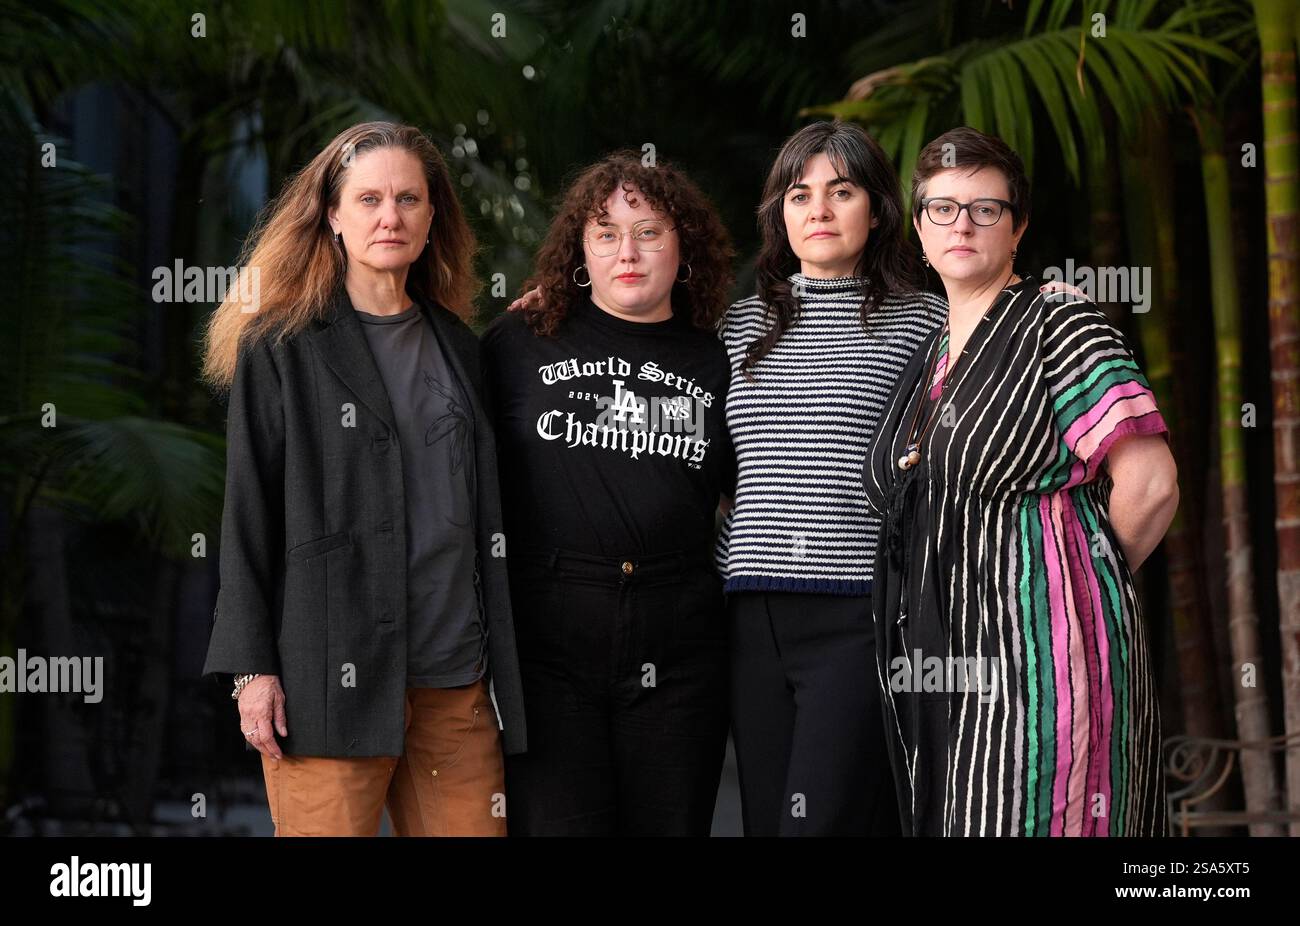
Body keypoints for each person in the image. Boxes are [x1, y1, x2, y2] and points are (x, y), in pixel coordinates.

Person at [201, 121, 525, 836]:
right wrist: (251, 670)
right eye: (370, 198)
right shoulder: (283, 346)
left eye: (409, 199)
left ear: (432, 215)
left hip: (455, 683)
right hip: (329, 679)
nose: (391, 216)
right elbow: (247, 515)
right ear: (333, 215)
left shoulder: (462, 350)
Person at [863, 126, 1177, 836]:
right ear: (918, 227)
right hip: (944, 666)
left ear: (1019, 226)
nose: (962, 224)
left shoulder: (1058, 321)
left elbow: (1151, 485)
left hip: (1042, 663)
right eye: (942, 208)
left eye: (986, 208)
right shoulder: (927, 354)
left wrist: (1068, 593)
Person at [482, 151, 736, 835]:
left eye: (650, 231)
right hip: (550, 644)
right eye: (606, 233)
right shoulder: (517, 343)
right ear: (580, 251)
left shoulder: (721, 358)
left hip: (680, 643)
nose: (628, 250)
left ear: (683, 247)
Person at [715, 120, 945, 836]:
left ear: (874, 209)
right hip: (749, 609)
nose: (817, 209)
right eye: (799, 194)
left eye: (840, 192)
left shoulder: (926, 322)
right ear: (779, 214)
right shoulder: (739, 325)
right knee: (764, 820)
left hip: (858, 612)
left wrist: (1046, 300)